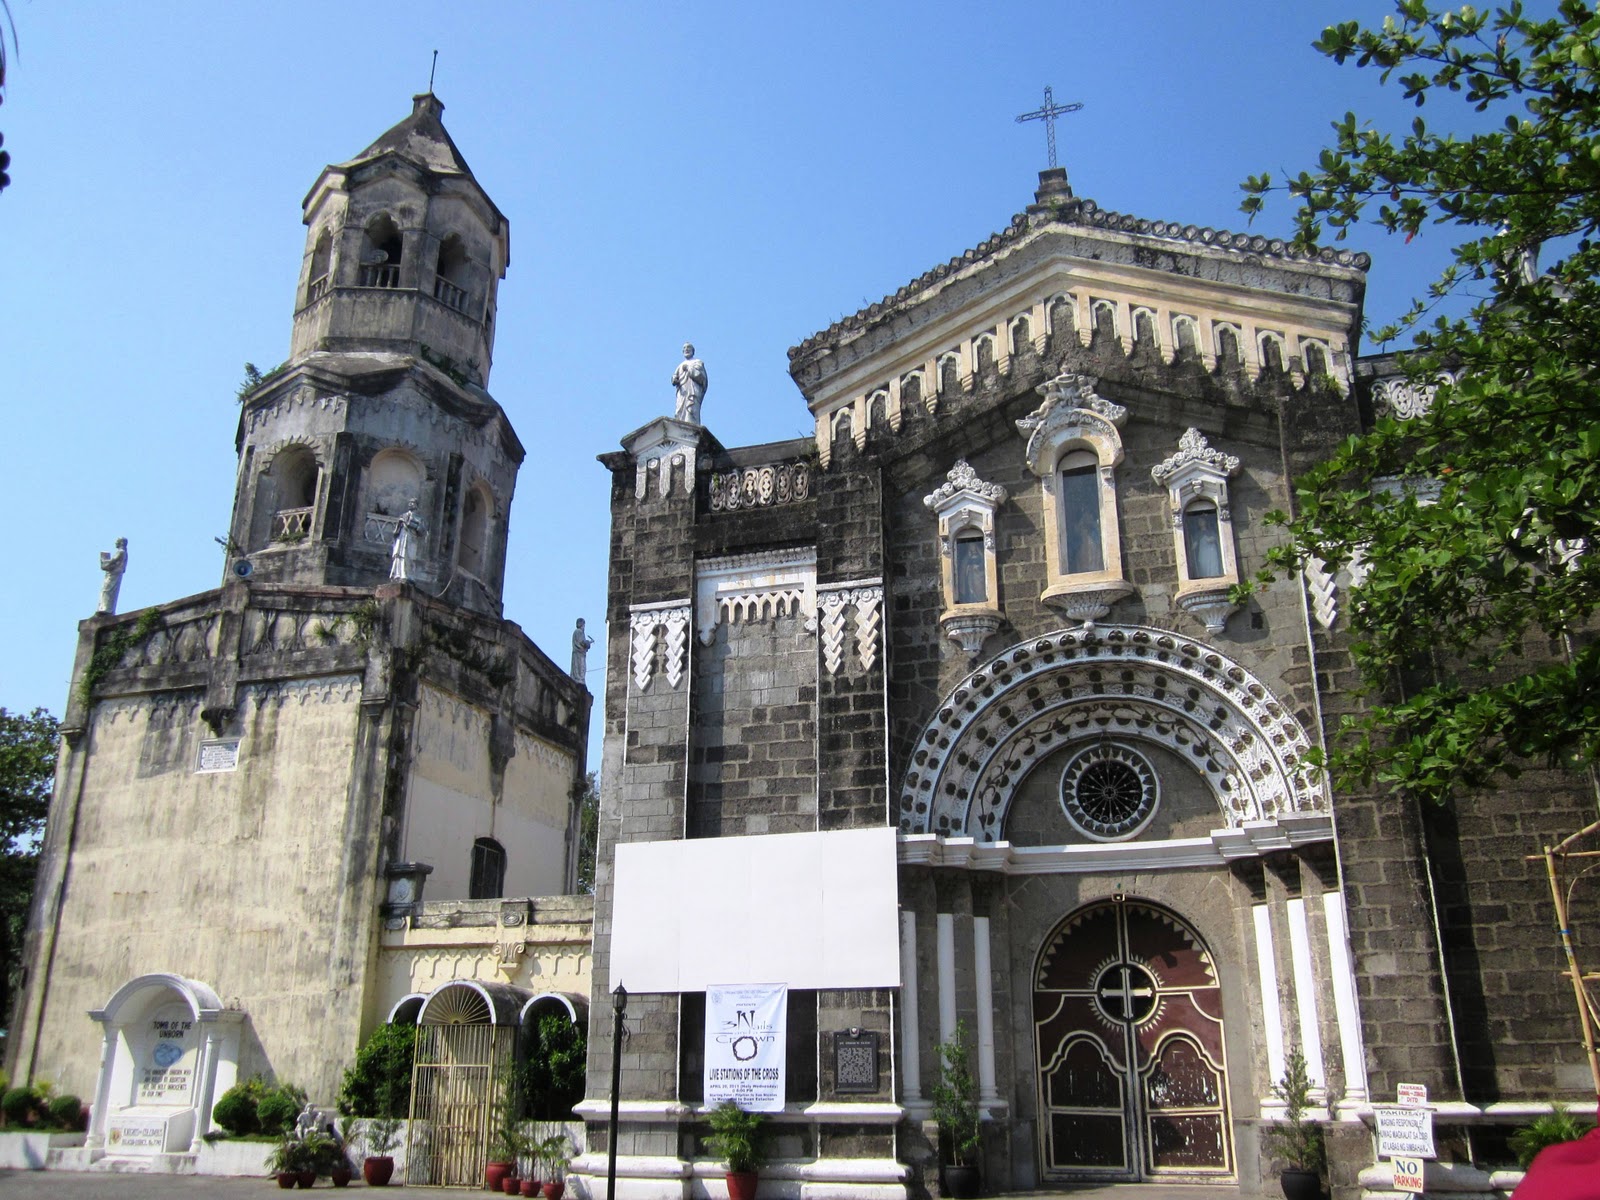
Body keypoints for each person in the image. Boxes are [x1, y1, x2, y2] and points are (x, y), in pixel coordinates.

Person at [672, 342, 708, 423]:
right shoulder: (680, 365)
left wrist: (689, 369)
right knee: (680, 410)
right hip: (682, 392)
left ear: (693, 351)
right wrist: (674, 379)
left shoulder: (697, 362)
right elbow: (675, 376)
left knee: (691, 408)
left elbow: (701, 377)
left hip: (692, 390)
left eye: (688, 347)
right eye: (684, 348)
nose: (686, 349)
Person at [389, 503, 426, 581]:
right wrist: (400, 524)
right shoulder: (403, 516)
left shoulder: (419, 519)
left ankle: (408, 575)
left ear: (416, 506)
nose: (410, 504)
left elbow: (422, 531)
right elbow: (396, 530)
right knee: (399, 555)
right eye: (410, 503)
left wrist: (411, 525)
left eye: (413, 503)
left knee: (410, 557)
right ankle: (398, 574)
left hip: (411, 539)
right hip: (402, 537)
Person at [98, 537, 128, 614]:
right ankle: (104, 608)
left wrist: (104, 560)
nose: (115, 543)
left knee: (107, 590)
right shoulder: (123, 552)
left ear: (121, 543)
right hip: (114, 574)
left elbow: (113, 561)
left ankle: (106, 609)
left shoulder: (121, 552)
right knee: (108, 591)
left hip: (113, 574)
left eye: (117, 542)